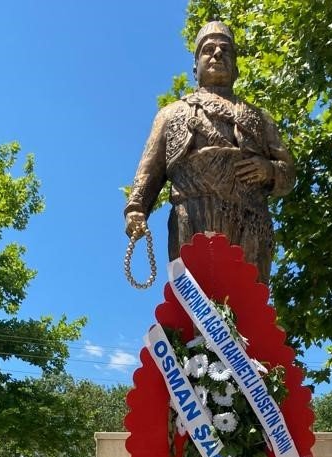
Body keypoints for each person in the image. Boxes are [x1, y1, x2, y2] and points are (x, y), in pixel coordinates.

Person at [124, 20, 296, 283]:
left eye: (225, 50)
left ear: (236, 69)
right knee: (192, 305)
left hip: (249, 220)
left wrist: (269, 170)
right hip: (191, 216)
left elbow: (288, 176)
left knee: (247, 306)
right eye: (208, 49)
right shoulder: (171, 114)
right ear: (195, 67)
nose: (217, 54)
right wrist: (136, 209)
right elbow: (150, 167)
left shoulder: (260, 119)